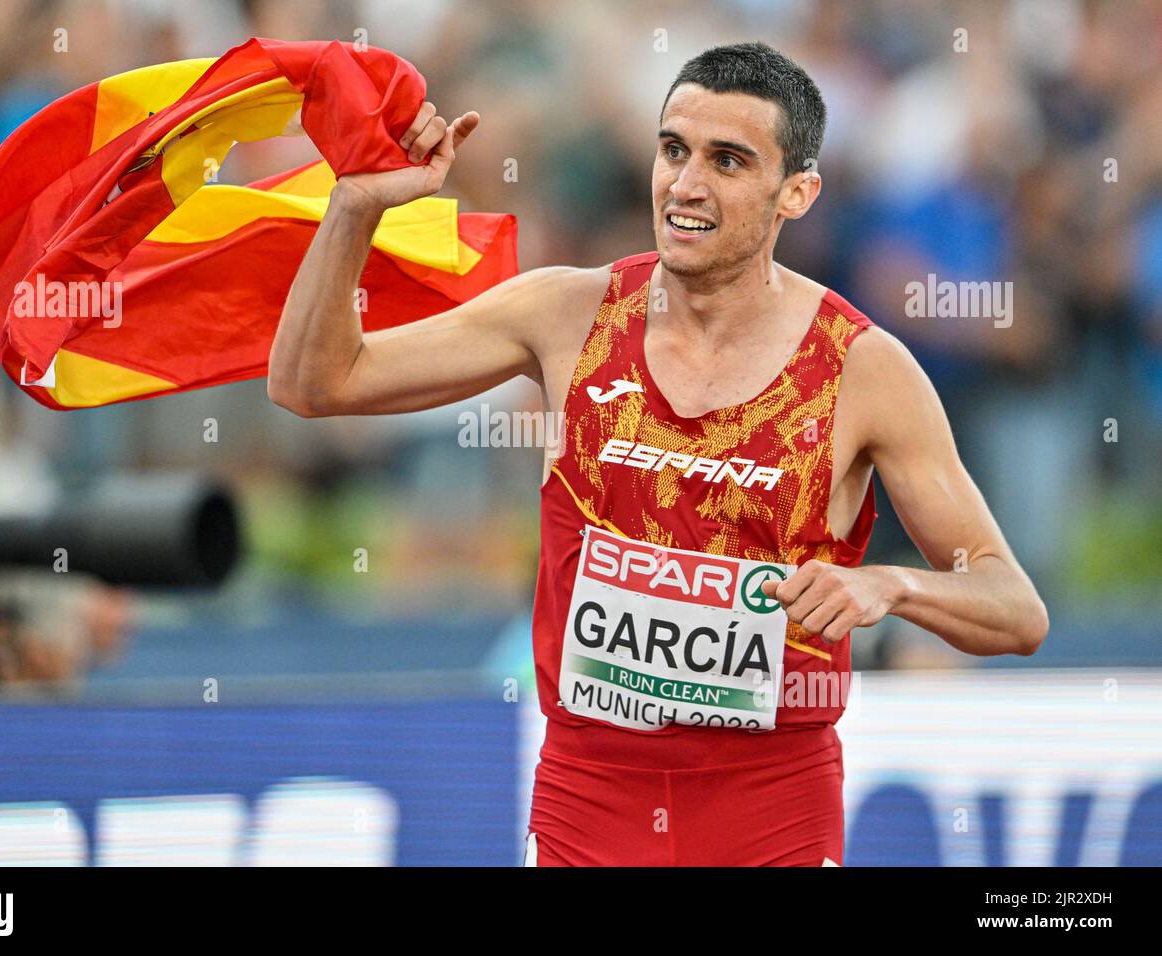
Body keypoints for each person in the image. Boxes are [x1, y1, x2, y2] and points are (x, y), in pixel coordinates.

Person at [267, 41, 1049, 867]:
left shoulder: (864, 370)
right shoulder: (566, 313)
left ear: (798, 192)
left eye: (729, 160)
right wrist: (356, 206)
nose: (686, 185)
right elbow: (315, 381)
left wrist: (887, 583)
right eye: (673, 149)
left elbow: (1013, 607)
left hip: (771, 812)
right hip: (588, 801)